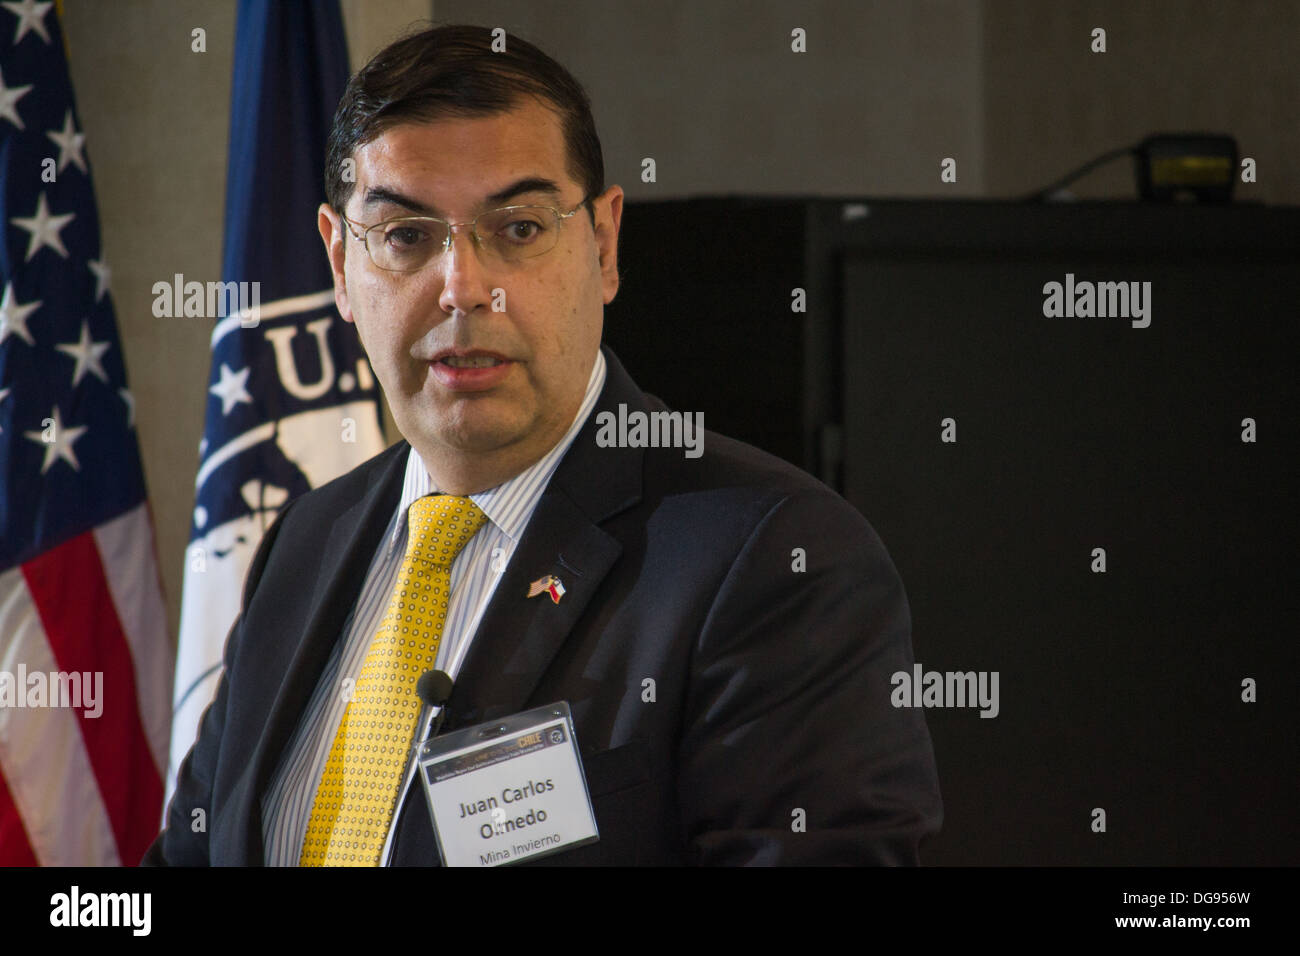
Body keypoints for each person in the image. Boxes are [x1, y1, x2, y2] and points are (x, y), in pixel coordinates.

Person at [144, 23, 942, 866]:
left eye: (519, 228)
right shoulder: (303, 544)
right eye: (408, 236)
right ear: (341, 264)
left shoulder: (775, 559)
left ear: (602, 245)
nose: (462, 289)